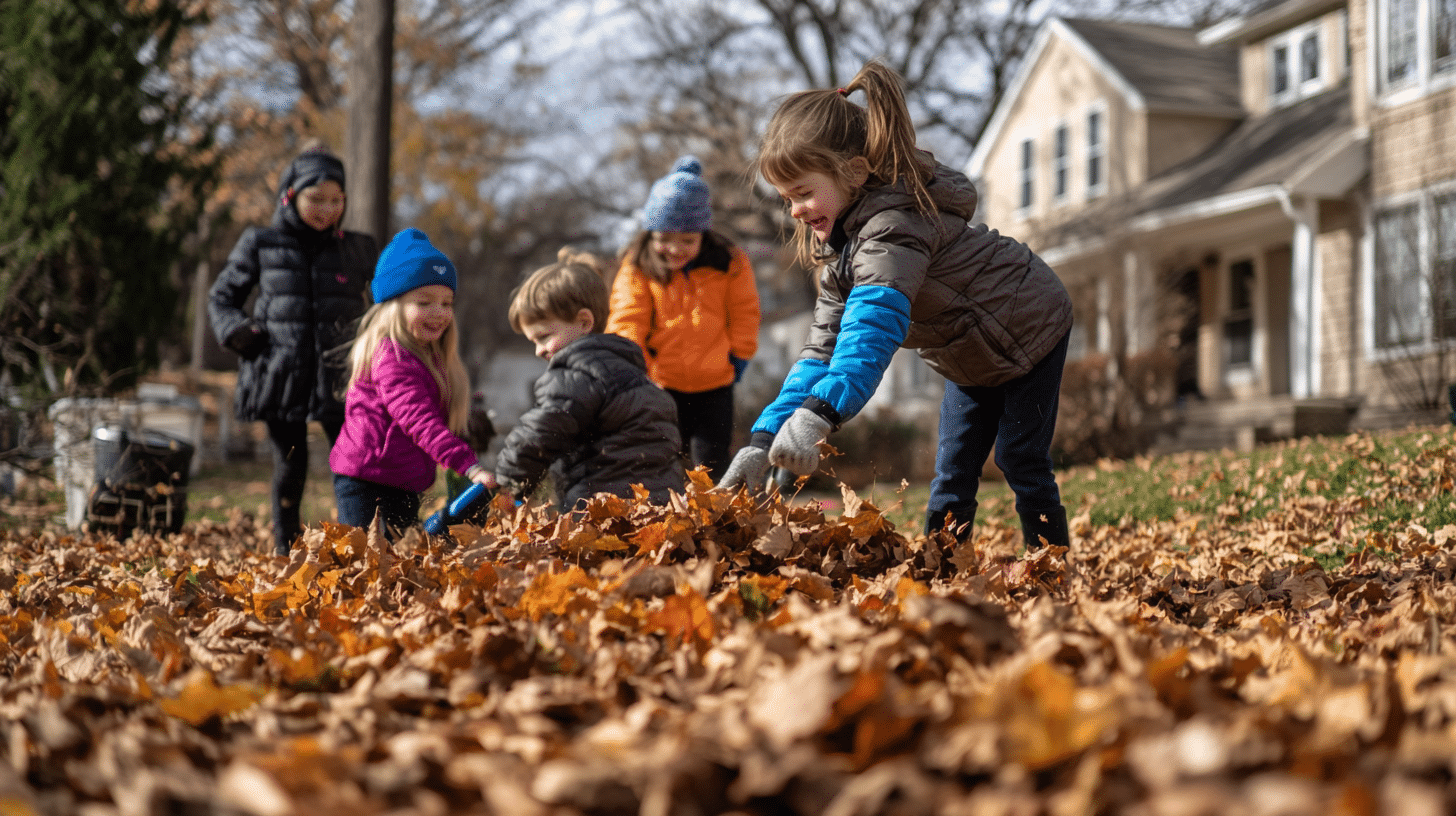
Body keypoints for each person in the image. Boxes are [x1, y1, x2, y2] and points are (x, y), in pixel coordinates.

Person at [717, 61, 1075, 551]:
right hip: (971, 356)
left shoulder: (894, 231)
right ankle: (942, 568)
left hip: (1032, 327)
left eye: (803, 193)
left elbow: (869, 334)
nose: (795, 210)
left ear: (853, 172)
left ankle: (1049, 564)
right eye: (786, 199)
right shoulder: (843, 262)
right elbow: (819, 355)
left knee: (1019, 457)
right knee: (952, 470)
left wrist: (820, 414)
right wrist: (763, 440)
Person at [208, 144, 378, 556]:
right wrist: (240, 333)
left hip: (341, 375)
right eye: (316, 199)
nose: (327, 209)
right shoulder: (261, 242)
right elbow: (221, 297)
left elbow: (388, 302)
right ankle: (287, 551)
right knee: (291, 463)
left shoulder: (357, 248)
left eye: (336, 200)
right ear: (290, 196)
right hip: (280, 372)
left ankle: (361, 546)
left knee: (354, 461)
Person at [329, 228, 495, 537]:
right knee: (362, 555)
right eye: (424, 302)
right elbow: (419, 421)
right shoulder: (391, 358)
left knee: (400, 555)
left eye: (446, 303)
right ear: (393, 307)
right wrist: (469, 466)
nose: (439, 312)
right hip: (365, 476)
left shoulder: (432, 358)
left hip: (404, 479)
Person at [606, 156, 761, 482]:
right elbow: (627, 320)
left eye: (687, 240)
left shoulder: (729, 261)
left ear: (704, 234)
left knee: (712, 464)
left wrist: (739, 355)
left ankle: (714, 513)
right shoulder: (637, 266)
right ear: (650, 234)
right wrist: (636, 371)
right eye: (664, 239)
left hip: (715, 382)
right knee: (658, 461)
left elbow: (744, 311)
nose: (675, 249)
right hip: (659, 383)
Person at [495, 248, 685, 511]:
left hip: (601, 507)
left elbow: (541, 433)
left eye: (544, 337)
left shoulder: (577, 375)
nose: (539, 350)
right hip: (661, 504)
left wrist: (508, 480)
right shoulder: (632, 372)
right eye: (533, 342)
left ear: (584, 322)